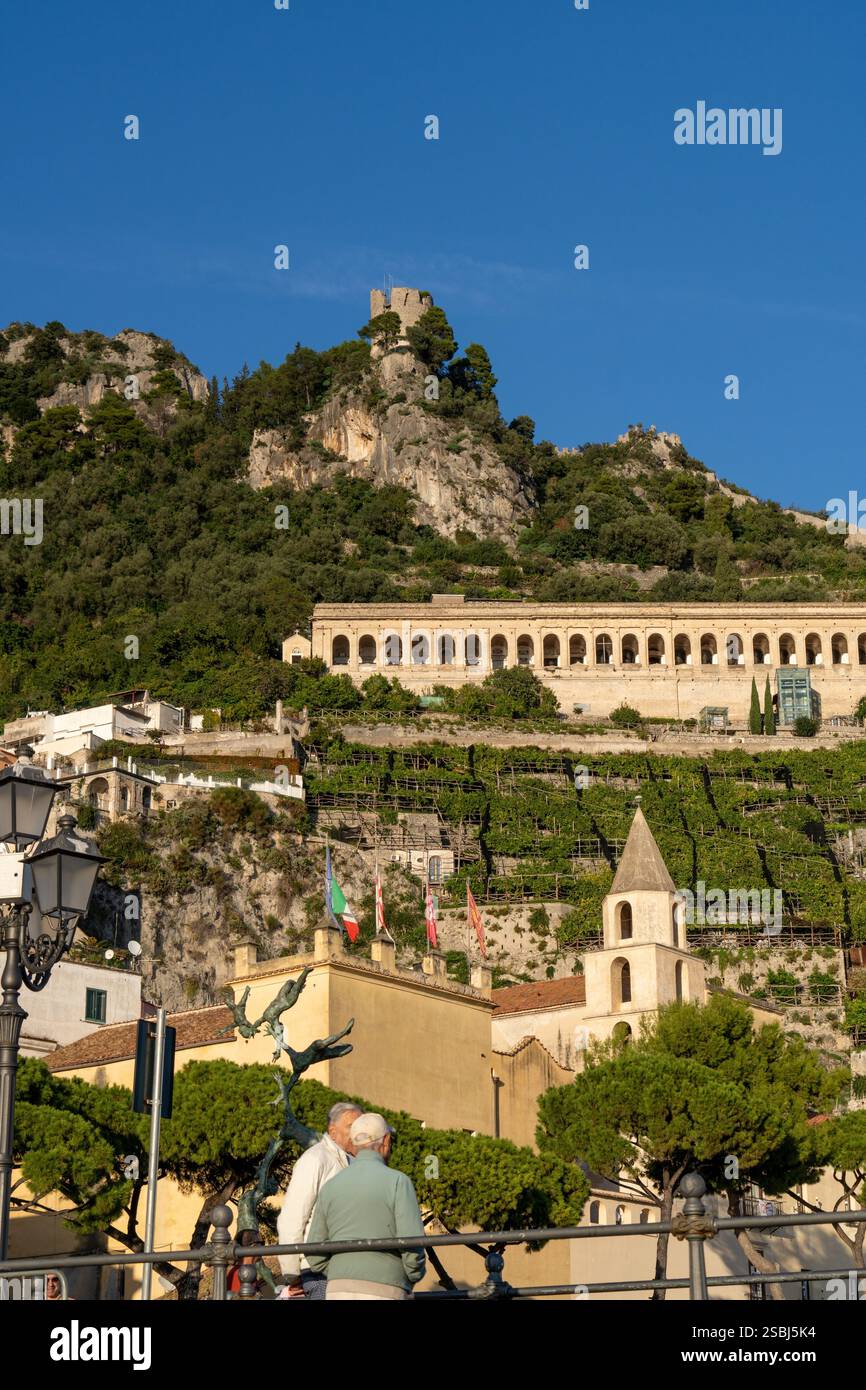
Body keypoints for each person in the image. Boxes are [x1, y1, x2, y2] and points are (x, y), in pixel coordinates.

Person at [306, 1112, 426, 1300]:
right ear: (385, 1141)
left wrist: (340, 1270)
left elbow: (313, 1249)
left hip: (337, 1289)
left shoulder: (330, 1186)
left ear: (353, 1145)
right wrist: (411, 1275)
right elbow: (412, 1243)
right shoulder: (398, 1182)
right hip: (385, 1287)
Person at [277, 1100, 362, 1299]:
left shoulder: (352, 1162)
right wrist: (292, 1274)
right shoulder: (315, 1160)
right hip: (321, 1271)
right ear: (332, 1130)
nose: (358, 1132)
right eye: (351, 1126)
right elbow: (292, 1219)